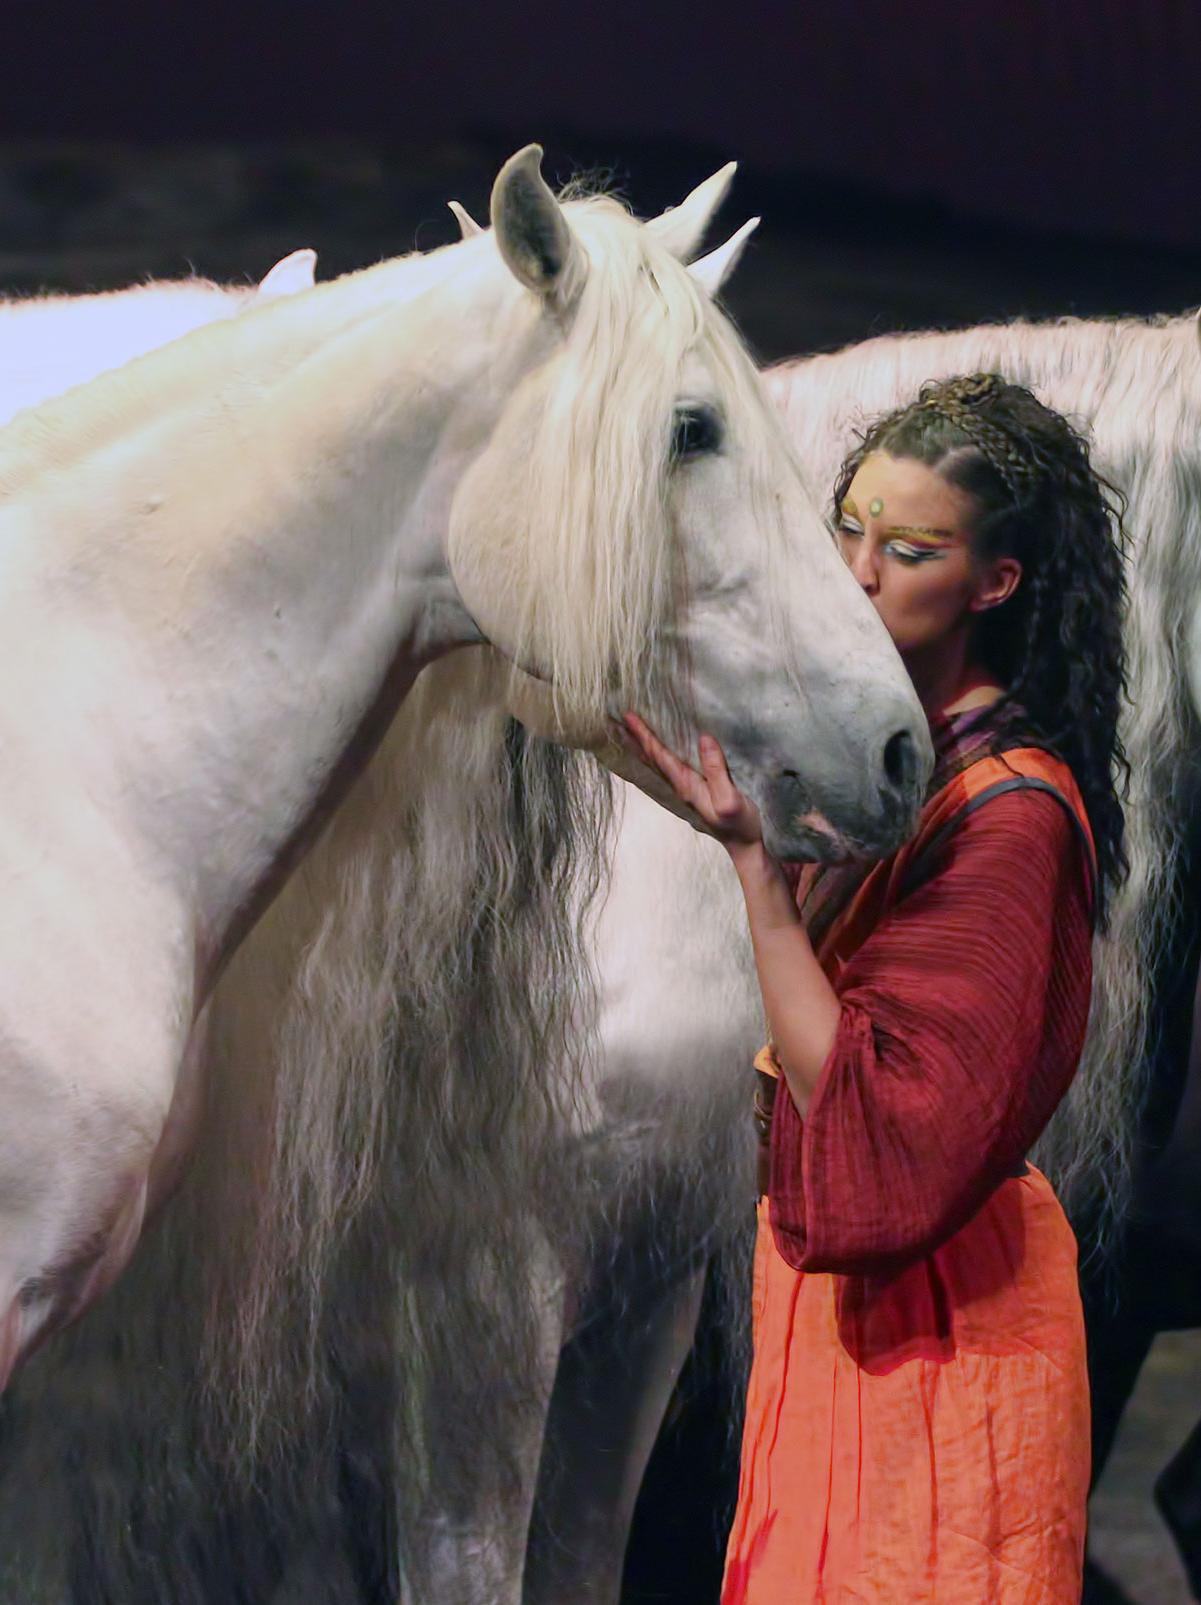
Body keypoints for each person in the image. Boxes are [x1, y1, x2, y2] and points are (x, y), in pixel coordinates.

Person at [624, 372, 1127, 1604]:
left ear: (992, 585)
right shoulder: (918, 776)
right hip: (851, 1317)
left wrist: (753, 866)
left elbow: (877, 1119)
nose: (856, 573)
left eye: (906, 550)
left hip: (944, 1329)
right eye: (844, 529)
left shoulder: (1010, 817)